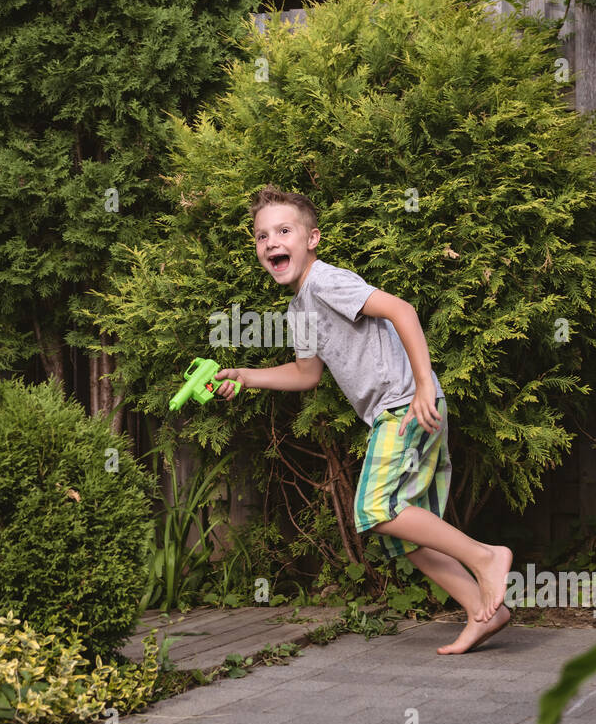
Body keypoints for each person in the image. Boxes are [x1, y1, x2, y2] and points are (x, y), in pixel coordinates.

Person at [214, 185, 513, 654]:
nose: (271, 242)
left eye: (284, 231)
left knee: (373, 510)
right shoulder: (299, 309)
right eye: (261, 236)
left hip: (405, 403)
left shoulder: (325, 282)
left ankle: (486, 557)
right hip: (397, 409)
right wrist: (247, 377)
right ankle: (481, 610)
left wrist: (421, 387)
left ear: (312, 239)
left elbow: (401, 310)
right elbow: (307, 373)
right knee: (402, 533)